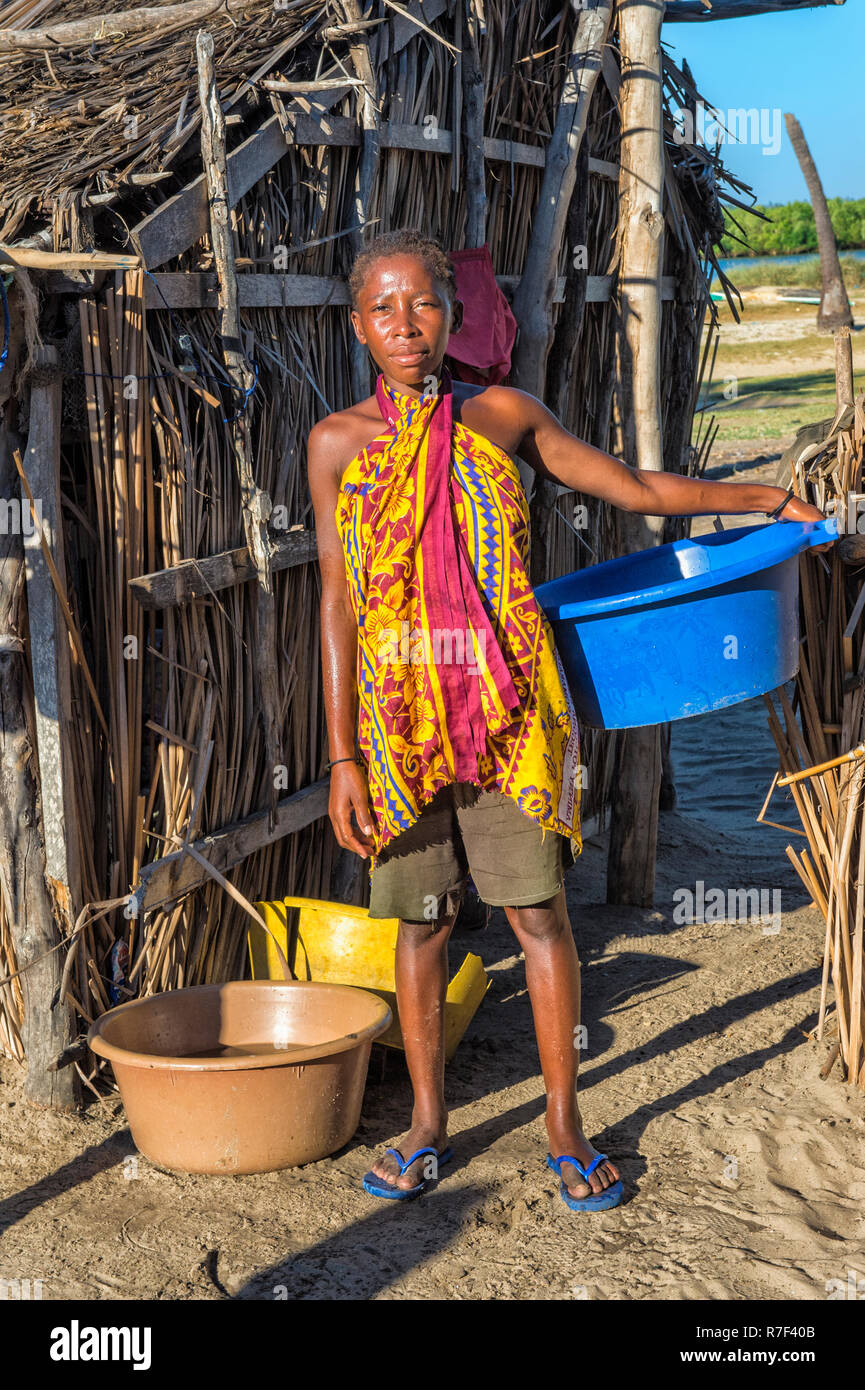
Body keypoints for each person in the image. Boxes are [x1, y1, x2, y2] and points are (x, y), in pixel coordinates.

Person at [306, 228, 828, 1211]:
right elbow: (335, 600)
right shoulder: (335, 445)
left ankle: (562, 1123)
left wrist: (760, 497)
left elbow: (630, 489)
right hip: (399, 731)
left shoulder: (502, 417)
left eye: (422, 302)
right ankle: (425, 1124)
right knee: (419, 928)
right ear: (358, 326)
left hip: (509, 719)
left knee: (538, 916)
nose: (405, 323)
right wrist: (341, 756)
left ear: (453, 318)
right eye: (383, 307)